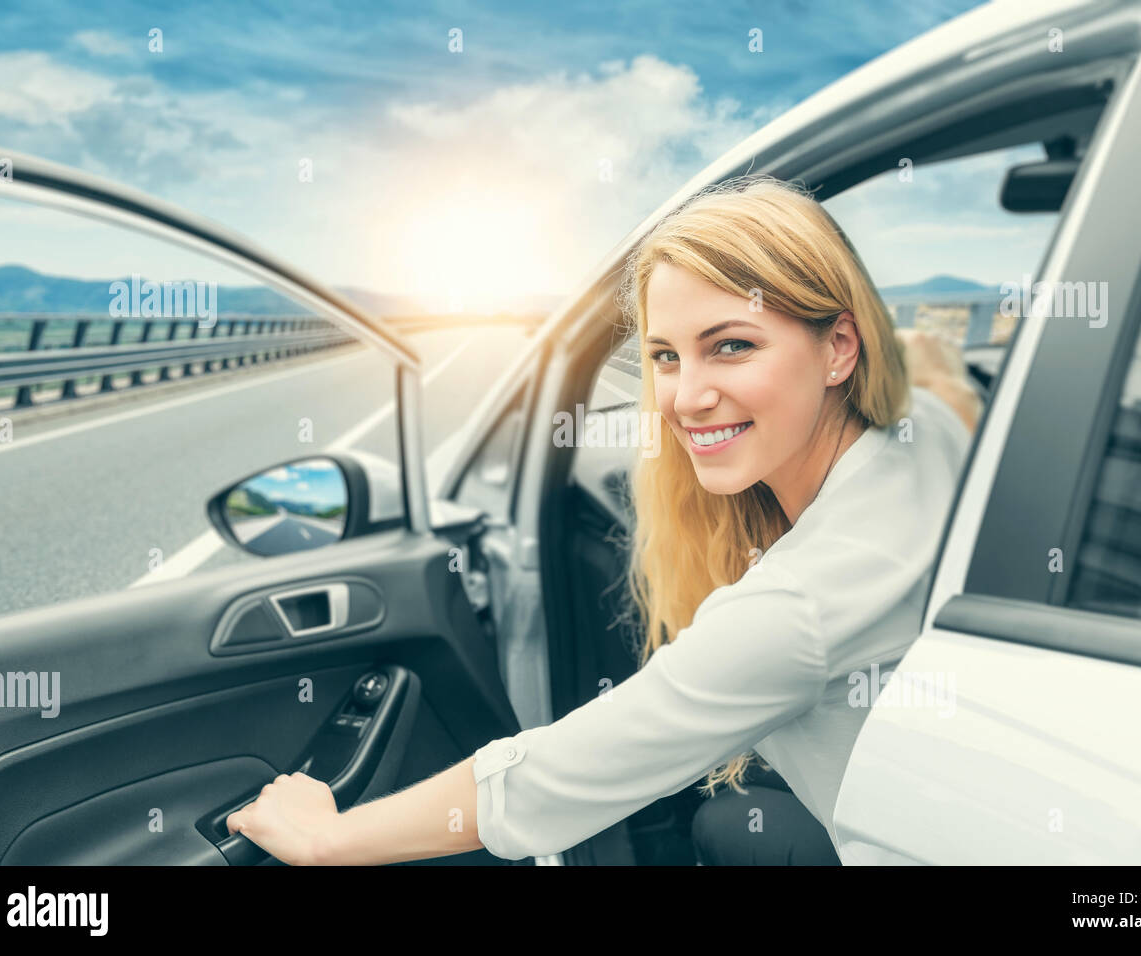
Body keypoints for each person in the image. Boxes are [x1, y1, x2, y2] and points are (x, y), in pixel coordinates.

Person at [226, 175, 981, 866]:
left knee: (722, 826)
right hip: (961, 811)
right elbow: (936, 371)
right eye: (664, 356)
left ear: (839, 348)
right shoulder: (931, 435)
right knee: (733, 818)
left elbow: (555, 781)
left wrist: (325, 838)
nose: (685, 398)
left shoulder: (797, 606)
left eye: (732, 346)